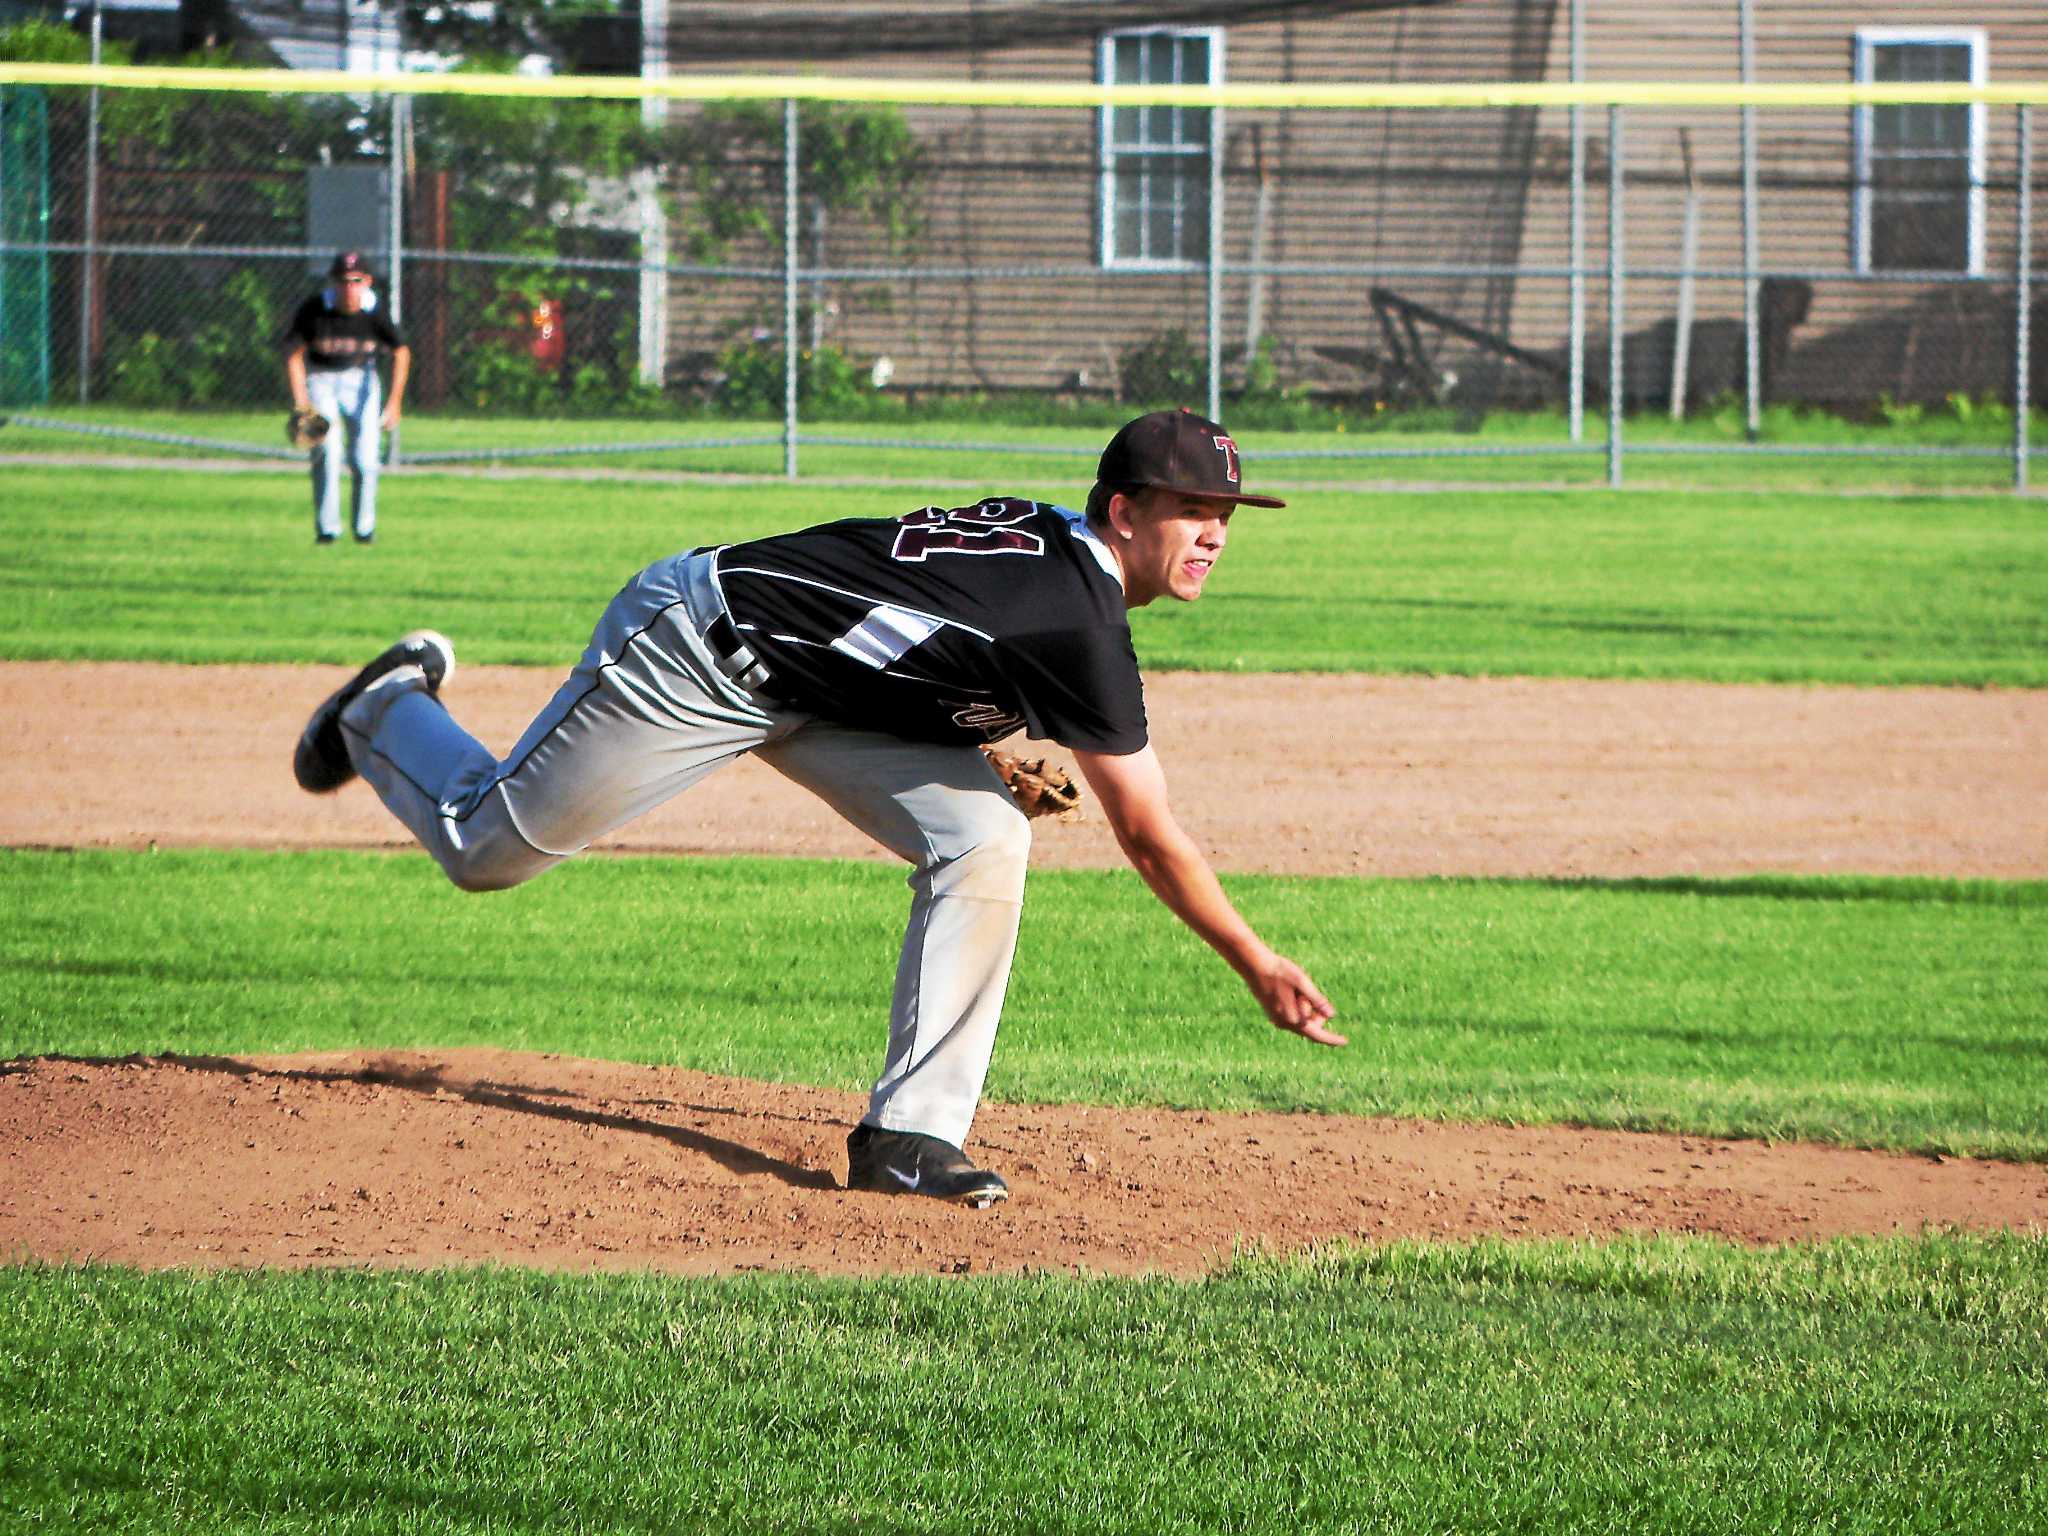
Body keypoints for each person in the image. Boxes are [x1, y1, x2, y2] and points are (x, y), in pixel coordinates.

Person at [290, 409, 1343, 1207]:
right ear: (1124, 513)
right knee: (488, 846)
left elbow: (914, 624)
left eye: (1224, 517)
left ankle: (909, 1139)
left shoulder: (1054, 549)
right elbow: (1150, 842)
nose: (1212, 534)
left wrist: (964, 741)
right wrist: (1256, 962)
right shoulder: (1081, 628)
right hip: (704, 651)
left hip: (815, 689)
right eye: (1191, 511)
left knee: (983, 830)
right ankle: (386, 709)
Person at [284, 251, 412, 545]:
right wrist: (301, 401)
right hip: (321, 378)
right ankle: (327, 530)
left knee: (366, 460)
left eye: (356, 280)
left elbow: (401, 352)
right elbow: (293, 354)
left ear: (366, 281)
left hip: (361, 378)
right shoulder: (316, 309)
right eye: (343, 281)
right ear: (333, 282)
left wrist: (394, 403)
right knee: (327, 452)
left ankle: (364, 530)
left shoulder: (373, 310)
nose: (350, 287)